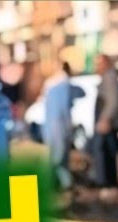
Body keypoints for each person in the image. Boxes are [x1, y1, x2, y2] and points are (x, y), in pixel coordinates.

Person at [91, 53, 118, 199]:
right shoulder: (105, 77)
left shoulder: (110, 76)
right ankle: (107, 184)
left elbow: (113, 101)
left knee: (105, 152)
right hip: (106, 121)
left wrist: (105, 119)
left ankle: (107, 185)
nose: (96, 66)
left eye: (99, 63)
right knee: (104, 152)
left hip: (107, 123)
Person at [42, 61, 75, 194]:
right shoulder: (61, 85)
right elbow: (63, 110)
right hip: (57, 127)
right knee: (58, 158)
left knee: (57, 157)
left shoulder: (54, 85)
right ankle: (65, 185)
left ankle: (61, 185)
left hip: (54, 127)